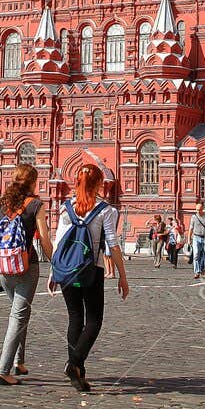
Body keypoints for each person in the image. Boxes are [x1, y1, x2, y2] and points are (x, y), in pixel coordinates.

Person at [50, 163, 130, 391]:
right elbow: (113, 245)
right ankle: (74, 363)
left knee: (75, 319)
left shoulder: (66, 208)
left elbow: (59, 242)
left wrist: (53, 272)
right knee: (94, 320)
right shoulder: (106, 210)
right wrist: (122, 275)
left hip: (66, 269)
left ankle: (78, 374)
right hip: (91, 270)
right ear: (98, 185)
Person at [0, 166, 46, 386]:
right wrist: (55, 263)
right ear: (32, 182)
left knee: (20, 312)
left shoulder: (1, 204)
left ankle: (18, 362)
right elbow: (44, 238)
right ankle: (4, 371)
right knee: (18, 317)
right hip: (26, 266)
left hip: (4, 265)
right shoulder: (35, 204)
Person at [188, 204, 205, 279]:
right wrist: (189, 239)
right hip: (196, 237)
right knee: (196, 255)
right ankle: (197, 272)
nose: (198, 211)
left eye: (199, 209)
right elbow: (191, 228)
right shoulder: (194, 217)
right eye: (197, 210)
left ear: (202, 209)